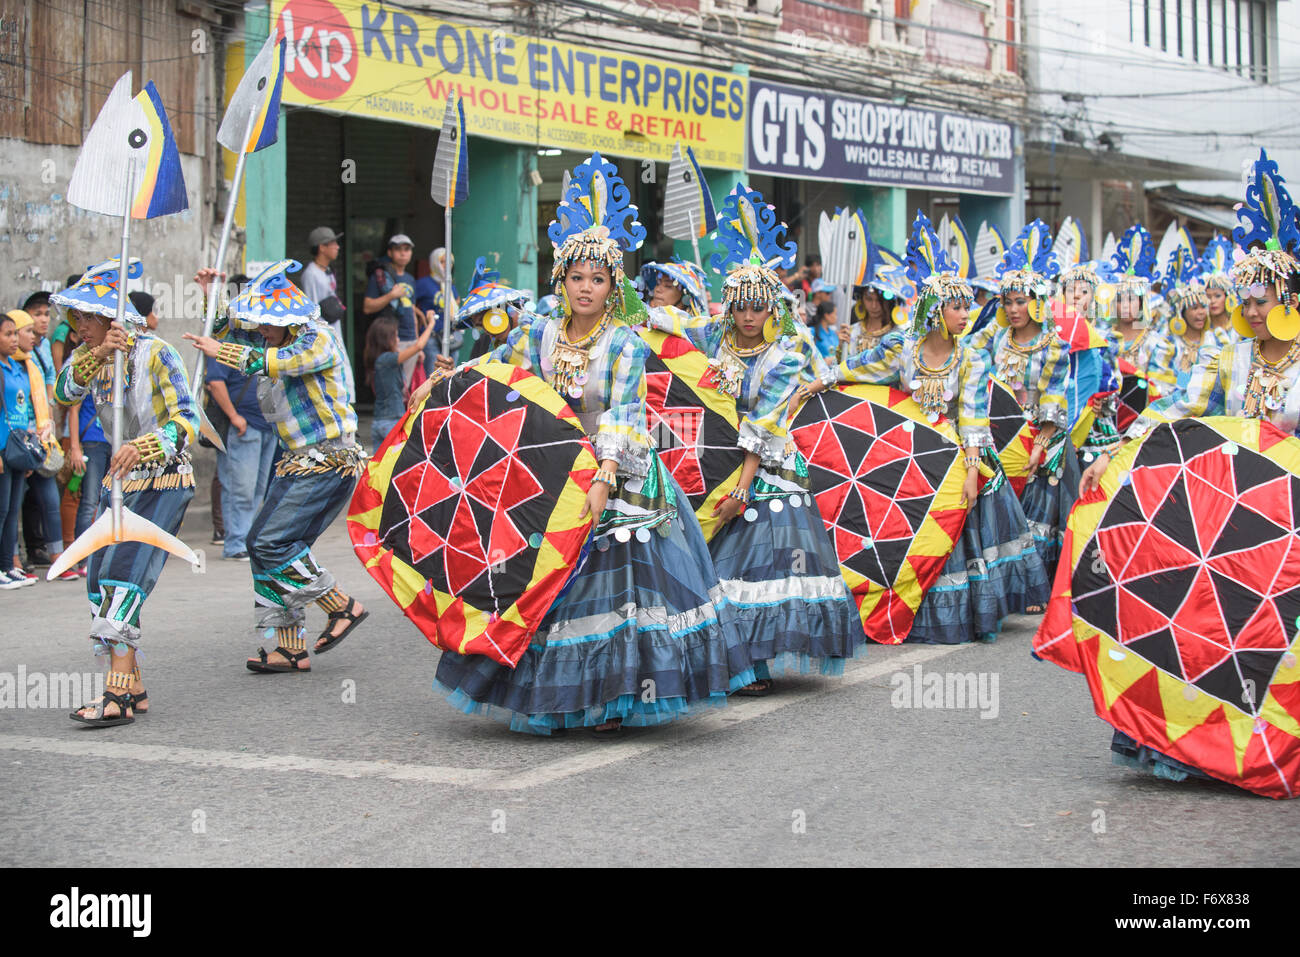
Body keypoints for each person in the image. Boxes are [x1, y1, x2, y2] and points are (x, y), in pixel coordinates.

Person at [410, 152, 755, 734]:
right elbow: (500, 370)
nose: (586, 288)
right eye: (577, 278)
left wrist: (604, 479)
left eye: (598, 279)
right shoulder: (540, 330)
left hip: (619, 474)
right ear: (560, 281)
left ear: (611, 284)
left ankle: (613, 695)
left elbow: (624, 412)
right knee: (547, 577)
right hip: (555, 469)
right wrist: (448, 379)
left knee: (610, 585)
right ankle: (556, 689)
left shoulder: (624, 342)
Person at [1073, 150, 1300, 788]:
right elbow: (1172, 410)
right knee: (1197, 620)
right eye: (1245, 301)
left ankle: (1260, 743)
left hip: (1288, 530)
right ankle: (1184, 741)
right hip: (1222, 514)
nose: (1252, 312)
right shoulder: (1228, 357)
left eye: (1263, 300)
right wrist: (1117, 454)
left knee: (1270, 640)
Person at [642, 181, 865, 690]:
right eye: (740, 306)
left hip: (765, 472)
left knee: (751, 572)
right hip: (719, 467)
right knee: (716, 569)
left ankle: (752, 664)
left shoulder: (783, 358)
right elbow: (673, 320)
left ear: (773, 310)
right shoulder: (713, 335)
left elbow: (762, 425)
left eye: (758, 307)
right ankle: (731, 660)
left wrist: (741, 488)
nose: (747, 316)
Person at [801, 210, 1049, 642]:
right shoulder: (904, 349)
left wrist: (972, 469)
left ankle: (954, 611)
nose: (965, 313)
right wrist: (817, 383)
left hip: (958, 456)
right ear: (936, 311)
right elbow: (860, 369)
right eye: (957, 306)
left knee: (955, 531)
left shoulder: (971, 356)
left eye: (967, 305)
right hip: (910, 455)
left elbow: (973, 413)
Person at [187, 260, 369, 672]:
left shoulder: (316, 339)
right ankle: (288, 646)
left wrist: (224, 351)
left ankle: (341, 606)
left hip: (328, 462)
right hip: (299, 463)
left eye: (266, 323)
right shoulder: (277, 340)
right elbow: (224, 334)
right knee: (263, 546)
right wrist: (209, 296)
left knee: (271, 543)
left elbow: (268, 361)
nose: (260, 330)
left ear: (287, 319)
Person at [52, 260, 200, 726]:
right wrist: (97, 355)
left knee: (123, 580)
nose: (79, 330)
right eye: (75, 321)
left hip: (163, 479)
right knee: (98, 582)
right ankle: (133, 687)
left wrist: (144, 444)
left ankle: (114, 698)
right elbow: (63, 393)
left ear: (112, 318)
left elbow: (188, 419)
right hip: (117, 484)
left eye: (87, 320)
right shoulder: (90, 356)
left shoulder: (158, 353)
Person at [965, 220, 1073, 591]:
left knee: (1032, 517)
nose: (1013, 309)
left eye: (1020, 301)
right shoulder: (993, 335)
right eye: (1008, 301)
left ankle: (1036, 588)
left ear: (1037, 303)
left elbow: (1055, 398)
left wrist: (1038, 447)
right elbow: (965, 357)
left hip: (1042, 441)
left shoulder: (1055, 346)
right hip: (998, 436)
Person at [206, 318, 278, 561]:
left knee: (258, 488)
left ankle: (244, 539)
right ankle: (236, 542)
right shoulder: (224, 343)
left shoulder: (268, 344)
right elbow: (215, 383)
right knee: (240, 488)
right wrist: (235, 416)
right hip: (243, 426)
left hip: (267, 424)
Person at [6, 310, 63, 578]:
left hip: (34, 443)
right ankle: (11, 562)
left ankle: (51, 559)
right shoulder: (8, 368)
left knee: (43, 502)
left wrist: (42, 432)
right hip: (12, 445)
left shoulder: (25, 365)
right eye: (21, 331)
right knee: (8, 509)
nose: (27, 336)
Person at [0, 312, 37, 589]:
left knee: (13, 511)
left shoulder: (16, 367)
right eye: (8, 334)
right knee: (1, 511)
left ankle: (7, 566)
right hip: (2, 449)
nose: (14, 339)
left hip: (17, 447)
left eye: (15, 333)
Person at [300, 227, 355, 404]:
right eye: (333, 243)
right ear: (321, 247)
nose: (337, 247)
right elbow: (312, 306)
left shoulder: (327, 271)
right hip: (323, 331)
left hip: (334, 328)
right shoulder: (311, 273)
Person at [364, 235, 425, 387]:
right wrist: (391, 295)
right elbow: (367, 307)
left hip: (410, 338)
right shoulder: (381, 276)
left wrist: (417, 343)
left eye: (407, 249)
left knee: (407, 388)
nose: (403, 253)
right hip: (391, 340)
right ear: (390, 252)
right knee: (392, 388)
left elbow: (411, 310)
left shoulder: (410, 278)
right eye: (398, 249)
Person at [364, 313, 433, 448]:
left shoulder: (381, 361)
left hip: (380, 421)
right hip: (390, 421)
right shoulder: (386, 359)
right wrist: (431, 324)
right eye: (395, 336)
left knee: (379, 467)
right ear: (386, 339)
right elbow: (418, 346)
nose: (398, 339)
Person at [66, 390, 110, 576]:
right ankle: (84, 558)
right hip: (92, 442)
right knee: (90, 501)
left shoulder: (122, 370)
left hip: (116, 443)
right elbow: (73, 410)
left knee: (110, 502)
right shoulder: (90, 370)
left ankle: (104, 556)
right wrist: (75, 447)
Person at [414, 247, 458, 372]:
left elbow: (457, 301)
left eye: (449, 262)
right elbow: (409, 304)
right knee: (433, 374)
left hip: (450, 335)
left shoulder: (449, 284)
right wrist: (421, 316)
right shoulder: (423, 283)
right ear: (434, 263)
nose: (446, 265)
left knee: (451, 373)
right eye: (442, 262)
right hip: (431, 335)